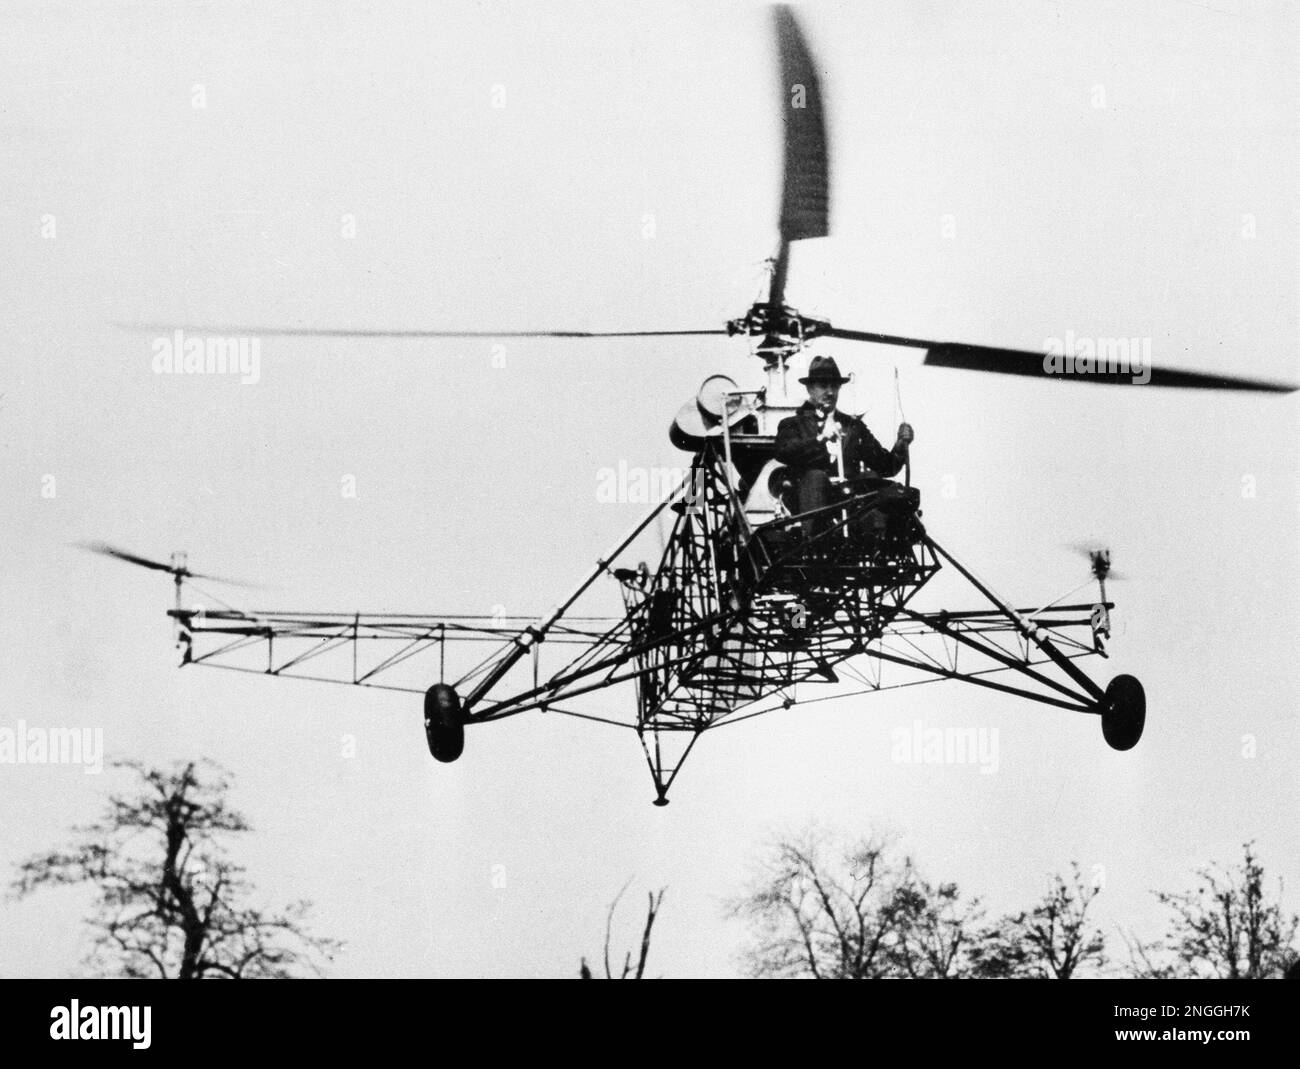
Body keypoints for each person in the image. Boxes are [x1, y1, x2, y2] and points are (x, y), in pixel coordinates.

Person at [774, 355, 915, 541]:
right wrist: (820, 438)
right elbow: (784, 452)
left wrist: (900, 447)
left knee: (880, 484)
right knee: (816, 477)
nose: (830, 392)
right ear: (809, 389)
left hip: (849, 506)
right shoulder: (792, 424)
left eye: (834, 386)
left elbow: (885, 467)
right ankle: (816, 542)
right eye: (823, 386)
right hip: (806, 503)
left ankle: (879, 540)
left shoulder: (853, 427)